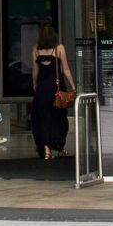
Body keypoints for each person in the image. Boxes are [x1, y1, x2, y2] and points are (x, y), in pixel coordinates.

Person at [30, 23, 75, 162]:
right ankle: (59, 147)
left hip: (42, 89)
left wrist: (35, 85)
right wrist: (73, 86)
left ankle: (46, 148)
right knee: (59, 118)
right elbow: (65, 69)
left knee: (43, 118)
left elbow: (35, 70)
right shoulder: (59, 48)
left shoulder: (36, 50)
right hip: (57, 89)